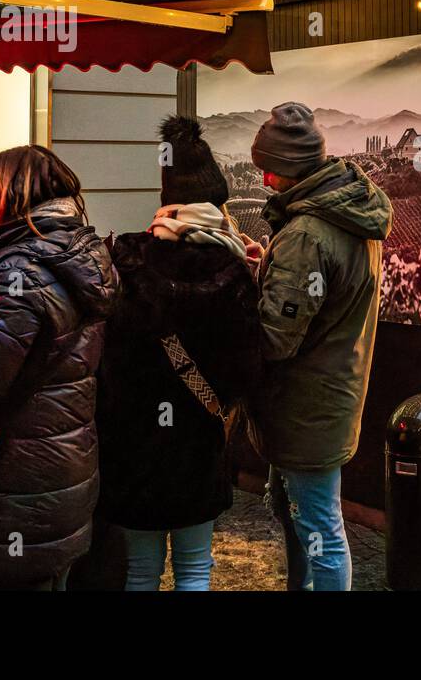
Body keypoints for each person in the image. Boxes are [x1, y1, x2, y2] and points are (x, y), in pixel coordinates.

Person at [0, 146, 119, 590]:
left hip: (19, 471)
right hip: (65, 462)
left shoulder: (17, 265)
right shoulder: (77, 250)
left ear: (12, 194)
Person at [98, 117, 260, 591]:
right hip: (196, 439)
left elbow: (111, 360)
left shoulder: (127, 261)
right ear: (216, 204)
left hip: (134, 443)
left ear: (167, 202)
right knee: (194, 566)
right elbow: (245, 368)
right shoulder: (232, 269)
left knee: (141, 570)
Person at [245, 103, 392, 591]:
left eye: (269, 168)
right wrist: (268, 266)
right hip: (333, 395)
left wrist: (248, 287)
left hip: (304, 406)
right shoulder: (349, 213)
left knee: (319, 530)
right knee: (309, 519)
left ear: (291, 169)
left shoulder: (307, 235)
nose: (264, 180)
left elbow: (275, 338)